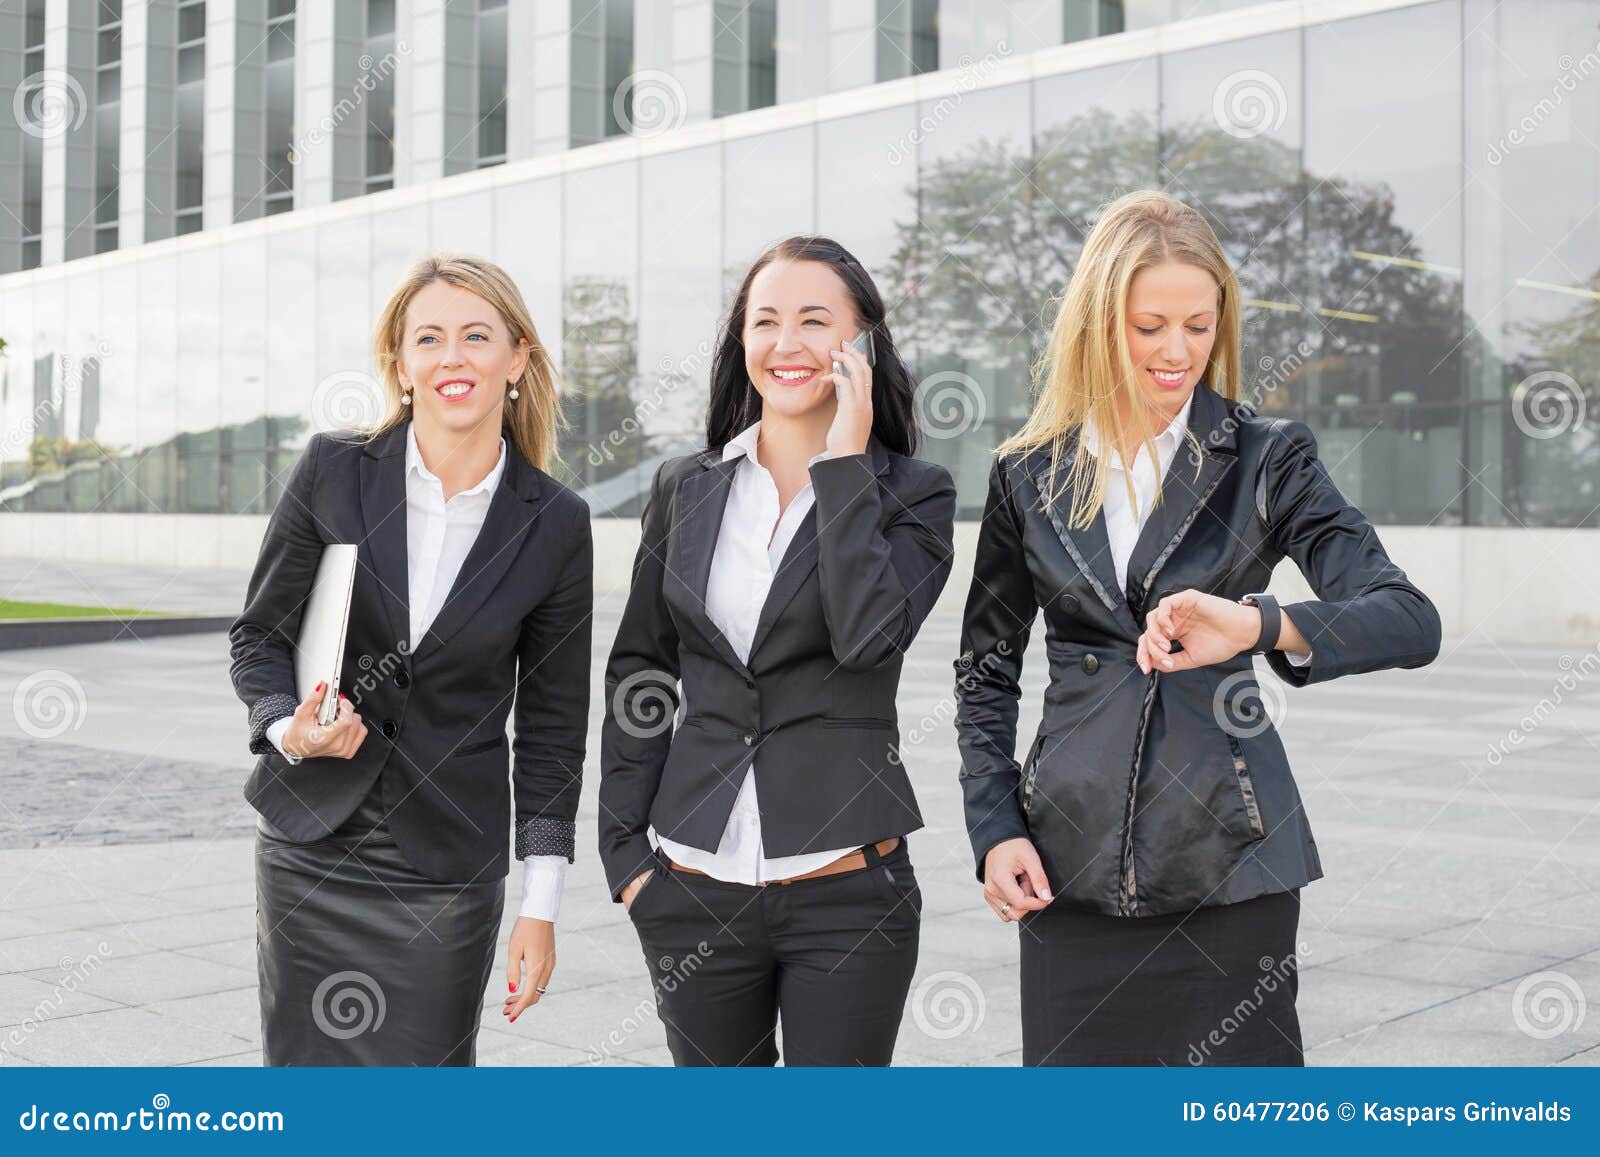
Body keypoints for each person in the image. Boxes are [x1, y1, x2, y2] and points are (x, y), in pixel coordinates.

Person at [954, 190, 1441, 1066]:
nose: (1177, 352)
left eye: (1198, 325)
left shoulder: (1267, 458)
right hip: (1069, 867)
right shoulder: (1027, 474)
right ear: (1099, 323)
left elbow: (1408, 619)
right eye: (1149, 327)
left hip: (1233, 863)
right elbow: (986, 669)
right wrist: (994, 827)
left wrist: (1258, 623)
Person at [598, 236, 957, 1066]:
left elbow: (868, 637)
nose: (786, 343)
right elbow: (640, 667)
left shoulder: (914, 493)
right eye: (765, 321)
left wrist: (843, 466)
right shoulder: (685, 486)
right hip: (691, 885)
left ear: (862, 341)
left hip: (847, 890)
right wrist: (626, 853)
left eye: (814, 320)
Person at [228, 254, 592, 1065]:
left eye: (476, 336)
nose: (451, 357)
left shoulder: (557, 522)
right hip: (310, 848)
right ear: (399, 363)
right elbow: (259, 635)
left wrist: (543, 902)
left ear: (518, 360)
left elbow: (553, 730)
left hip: (447, 869)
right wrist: (289, 726)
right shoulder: (334, 468)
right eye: (428, 338)